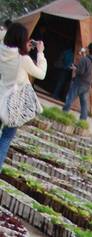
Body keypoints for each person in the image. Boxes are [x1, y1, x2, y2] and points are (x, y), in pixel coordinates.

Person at [0, 24, 46, 171]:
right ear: (22, 40)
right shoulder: (23, 58)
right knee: (6, 137)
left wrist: (24, 47)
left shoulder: (2, 49)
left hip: (1, 95)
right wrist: (40, 54)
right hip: (14, 103)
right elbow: (41, 74)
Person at [63, 41, 92, 121]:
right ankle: (83, 119)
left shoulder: (84, 59)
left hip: (79, 82)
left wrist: (74, 68)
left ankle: (63, 113)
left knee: (70, 98)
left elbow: (80, 71)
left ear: (88, 50)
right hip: (87, 84)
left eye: (86, 48)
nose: (85, 49)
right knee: (84, 103)